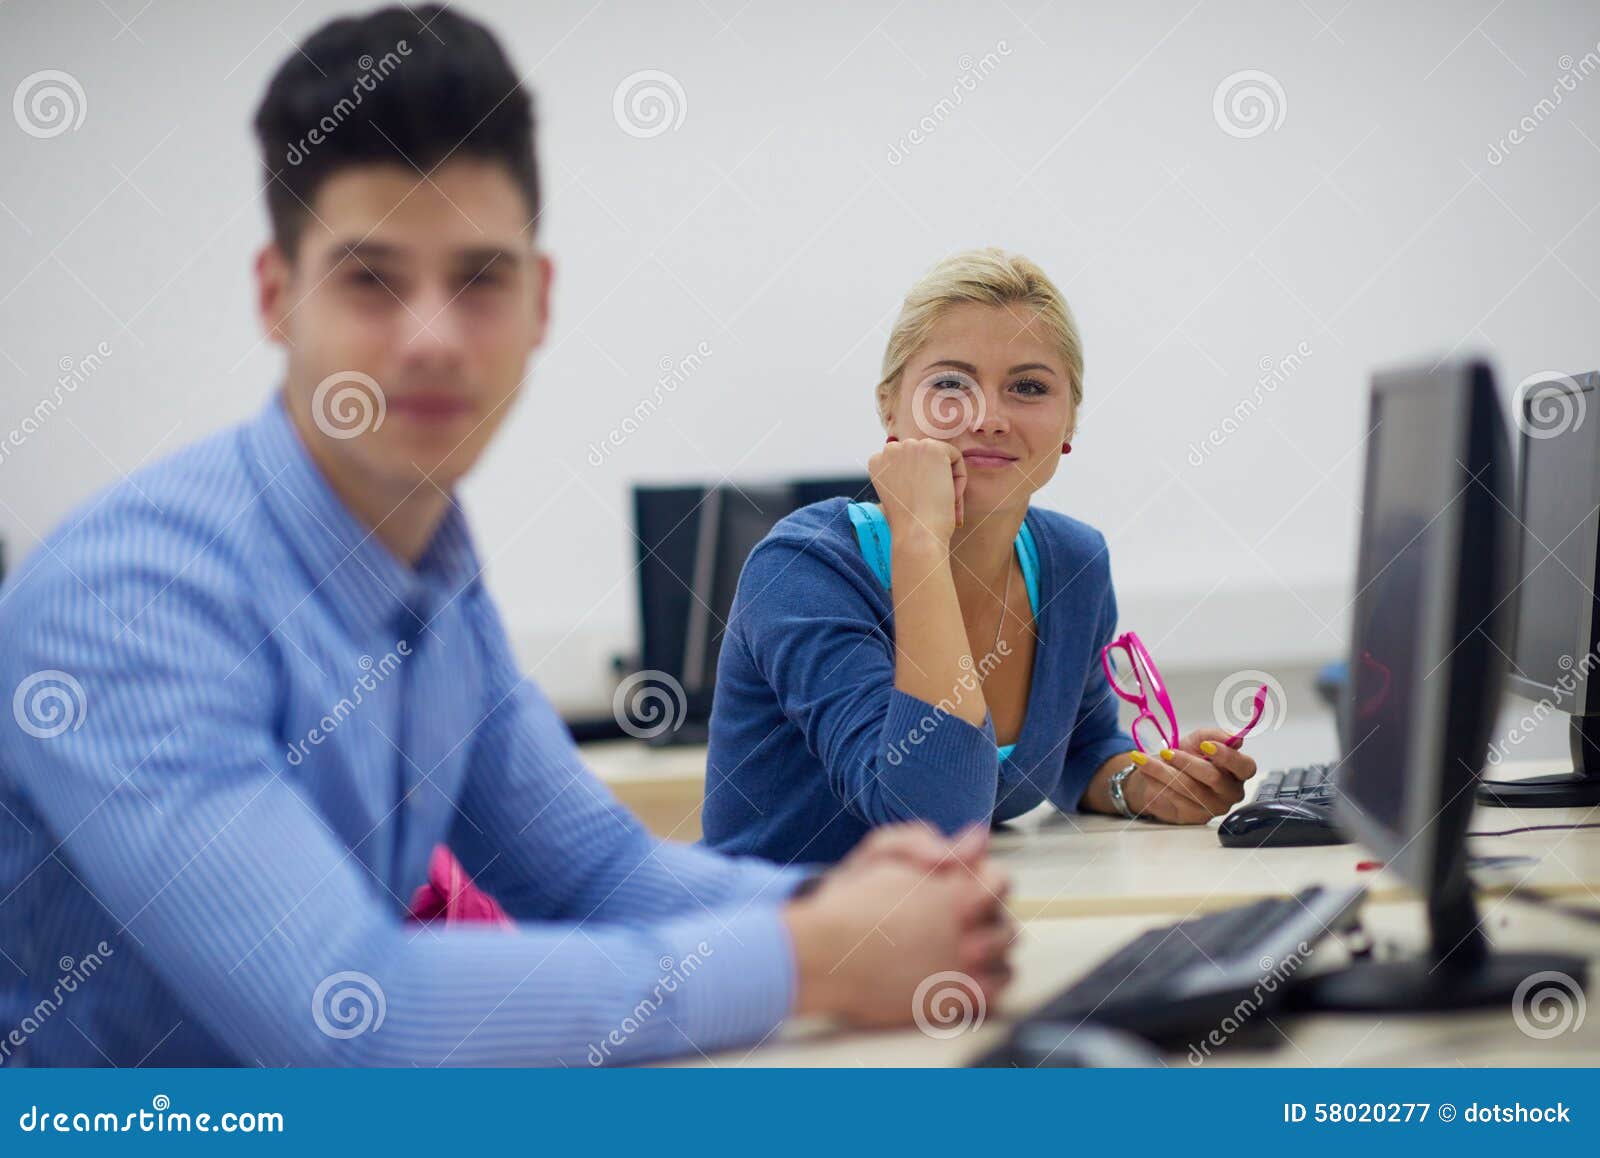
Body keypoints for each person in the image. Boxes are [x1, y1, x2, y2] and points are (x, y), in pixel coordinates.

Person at [0, 5, 1011, 1067]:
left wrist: (868, 903)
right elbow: (350, 1015)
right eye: (370, 280)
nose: (432, 338)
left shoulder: (432, 572)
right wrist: (811, 955)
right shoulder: (128, 596)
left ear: (540, 303)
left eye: (480, 279)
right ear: (275, 297)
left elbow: (595, 877)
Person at [702, 249, 1258, 863]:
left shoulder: (1074, 562)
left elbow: (1081, 747)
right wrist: (920, 540)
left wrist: (1139, 784)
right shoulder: (804, 568)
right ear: (890, 406)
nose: (988, 418)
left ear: (1071, 418)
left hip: (954, 937)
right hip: (776, 944)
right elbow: (933, 821)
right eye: (950, 385)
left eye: (1028, 387)